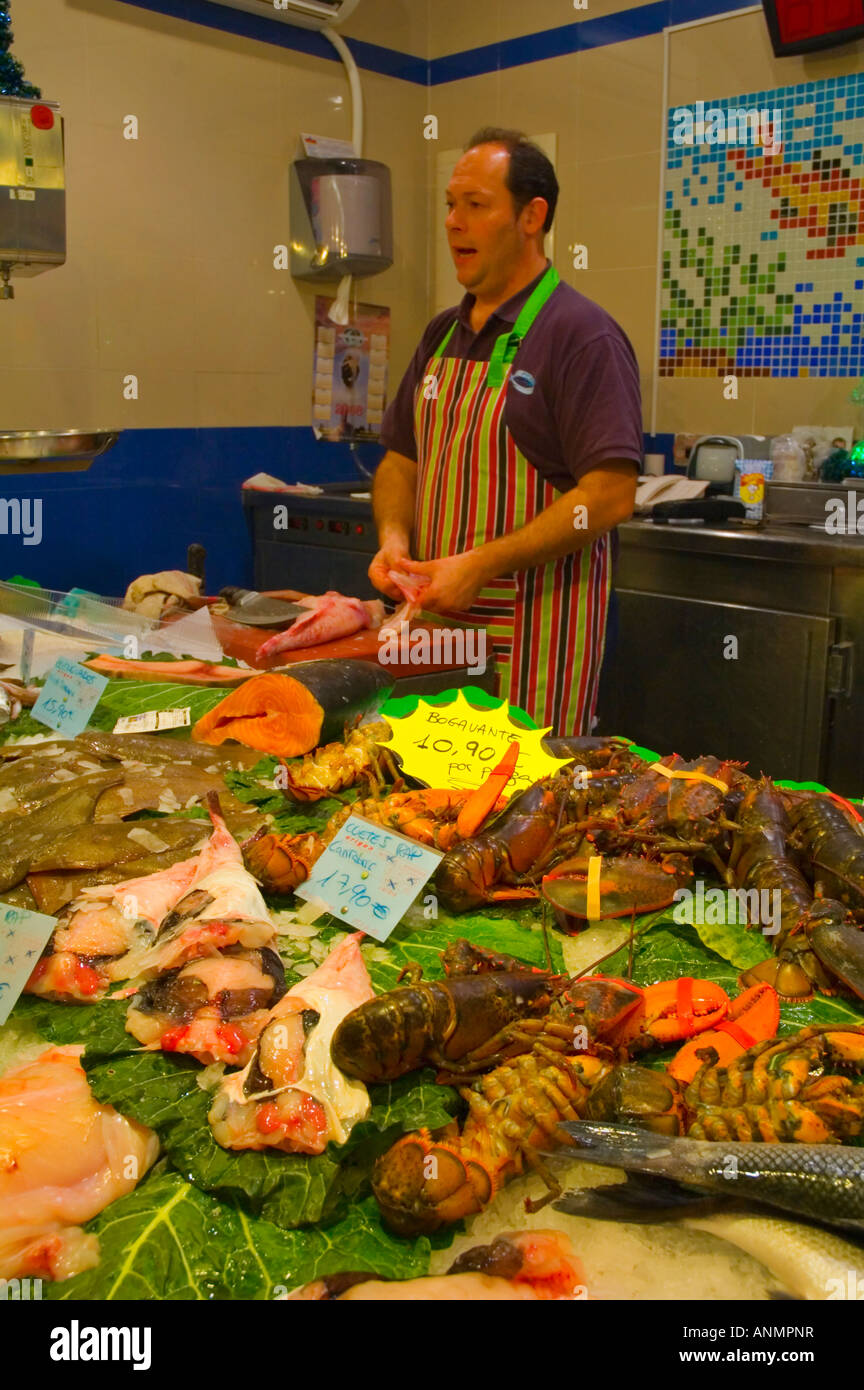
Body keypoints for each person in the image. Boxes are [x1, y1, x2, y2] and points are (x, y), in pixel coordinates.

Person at [370, 128, 642, 734]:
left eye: (476, 205)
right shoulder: (441, 334)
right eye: (450, 204)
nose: (453, 223)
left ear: (531, 216)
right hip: (438, 630)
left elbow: (610, 494)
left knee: (521, 808)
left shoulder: (581, 335)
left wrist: (481, 564)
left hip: (536, 641)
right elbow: (401, 460)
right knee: (429, 800)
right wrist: (393, 536)